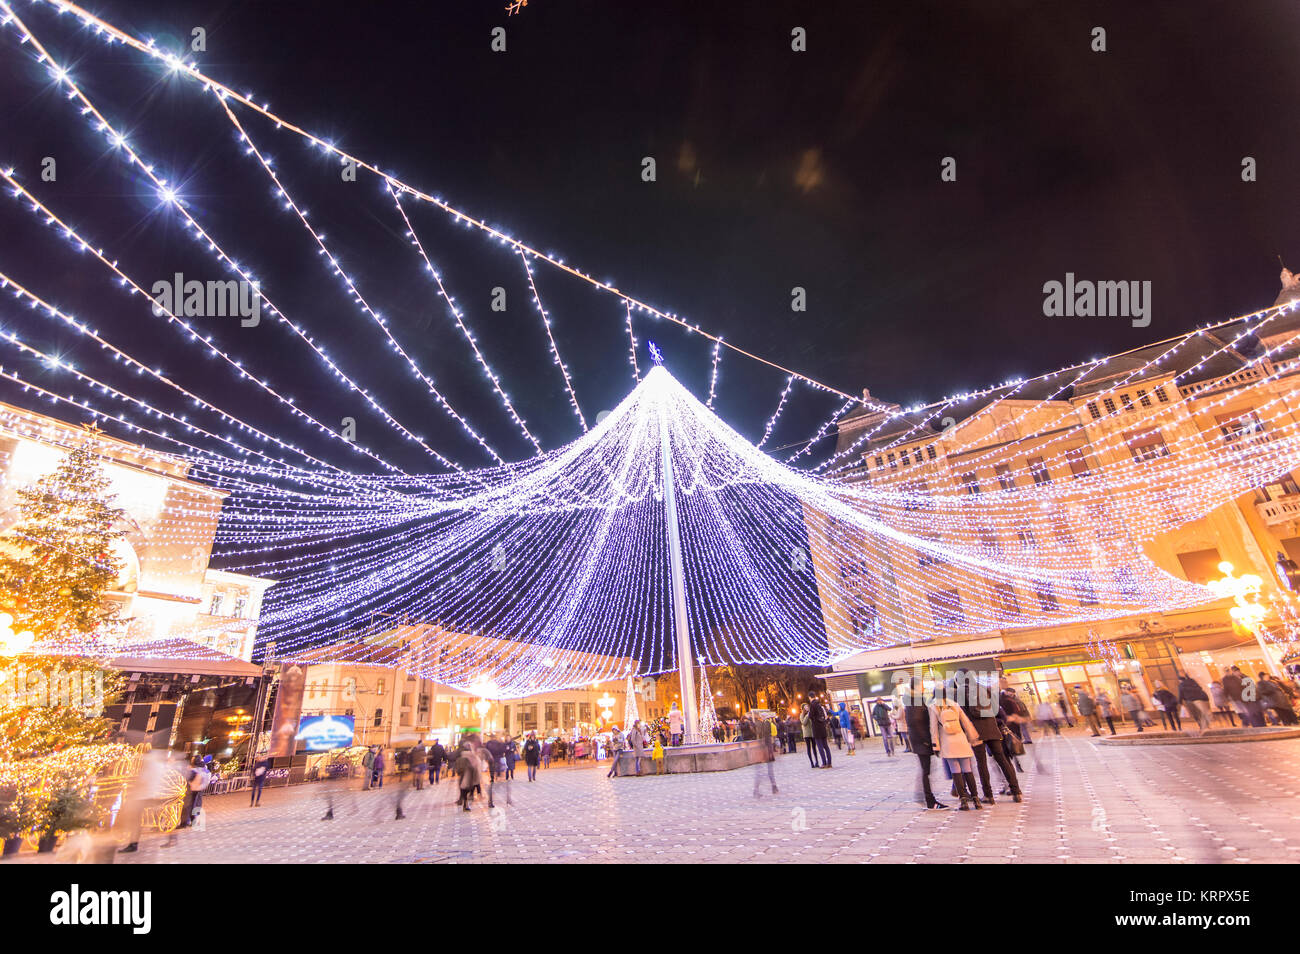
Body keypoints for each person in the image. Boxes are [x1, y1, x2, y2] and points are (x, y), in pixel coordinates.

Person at [955, 674, 1022, 804]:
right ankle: (1016, 791)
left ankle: (988, 795)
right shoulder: (985, 689)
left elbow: (963, 714)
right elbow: (996, 709)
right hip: (992, 729)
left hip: (976, 731)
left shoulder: (961, 692)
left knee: (982, 763)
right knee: (1002, 760)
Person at [930, 686, 982, 811]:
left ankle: (963, 800)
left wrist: (935, 745)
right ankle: (976, 799)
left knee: (955, 771)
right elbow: (966, 722)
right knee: (967, 770)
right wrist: (973, 737)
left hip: (948, 742)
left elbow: (933, 728)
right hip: (961, 739)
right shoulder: (954, 704)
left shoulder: (933, 707)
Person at [904, 678, 946, 810]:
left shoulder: (912, 699)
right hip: (922, 740)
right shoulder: (916, 700)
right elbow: (916, 721)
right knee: (926, 771)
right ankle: (930, 801)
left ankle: (921, 797)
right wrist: (926, 740)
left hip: (919, 740)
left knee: (925, 770)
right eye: (922, 685)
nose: (923, 687)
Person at [751, 712, 778, 796]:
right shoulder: (765, 723)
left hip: (760, 749)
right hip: (764, 749)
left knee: (760, 771)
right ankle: (773, 787)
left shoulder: (758, 724)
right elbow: (766, 737)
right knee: (766, 770)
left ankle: (758, 789)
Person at [808, 694, 833, 768]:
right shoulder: (820, 705)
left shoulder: (812, 705)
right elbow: (825, 716)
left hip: (816, 727)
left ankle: (824, 763)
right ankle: (829, 763)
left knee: (820, 746)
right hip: (822, 726)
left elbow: (810, 716)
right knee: (826, 746)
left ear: (810, 697)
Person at [454, 743, 481, 811]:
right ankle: (465, 804)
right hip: (469, 775)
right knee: (467, 789)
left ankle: (463, 802)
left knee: (463, 789)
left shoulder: (461, 755)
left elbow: (457, 765)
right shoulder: (472, 755)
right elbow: (476, 765)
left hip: (463, 774)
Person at [799, 703, 818, 768]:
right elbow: (803, 723)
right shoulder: (802, 715)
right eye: (805, 707)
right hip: (807, 734)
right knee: (808, 748)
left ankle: (817, 761)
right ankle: (811, 762)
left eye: (807, 706)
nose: (807, 707)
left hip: (812, 733)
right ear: (803, 708)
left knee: (814, 748)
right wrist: (807, 715)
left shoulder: (811, 713)